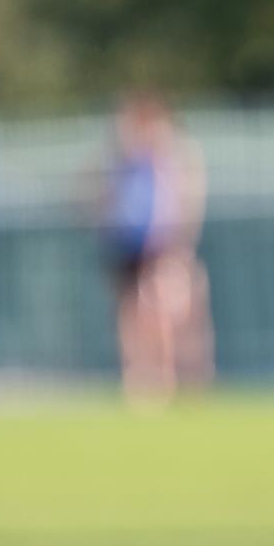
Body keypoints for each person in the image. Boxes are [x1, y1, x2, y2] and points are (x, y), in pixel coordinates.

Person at [105, 92, 211, 403]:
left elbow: (185, 206)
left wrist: (180, 243)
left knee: (168, 313)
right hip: (133, 247)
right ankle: (142, 377)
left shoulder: (175, 160)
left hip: (165, 247)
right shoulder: (126, 162)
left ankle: (173, 377)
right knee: (134, 313)